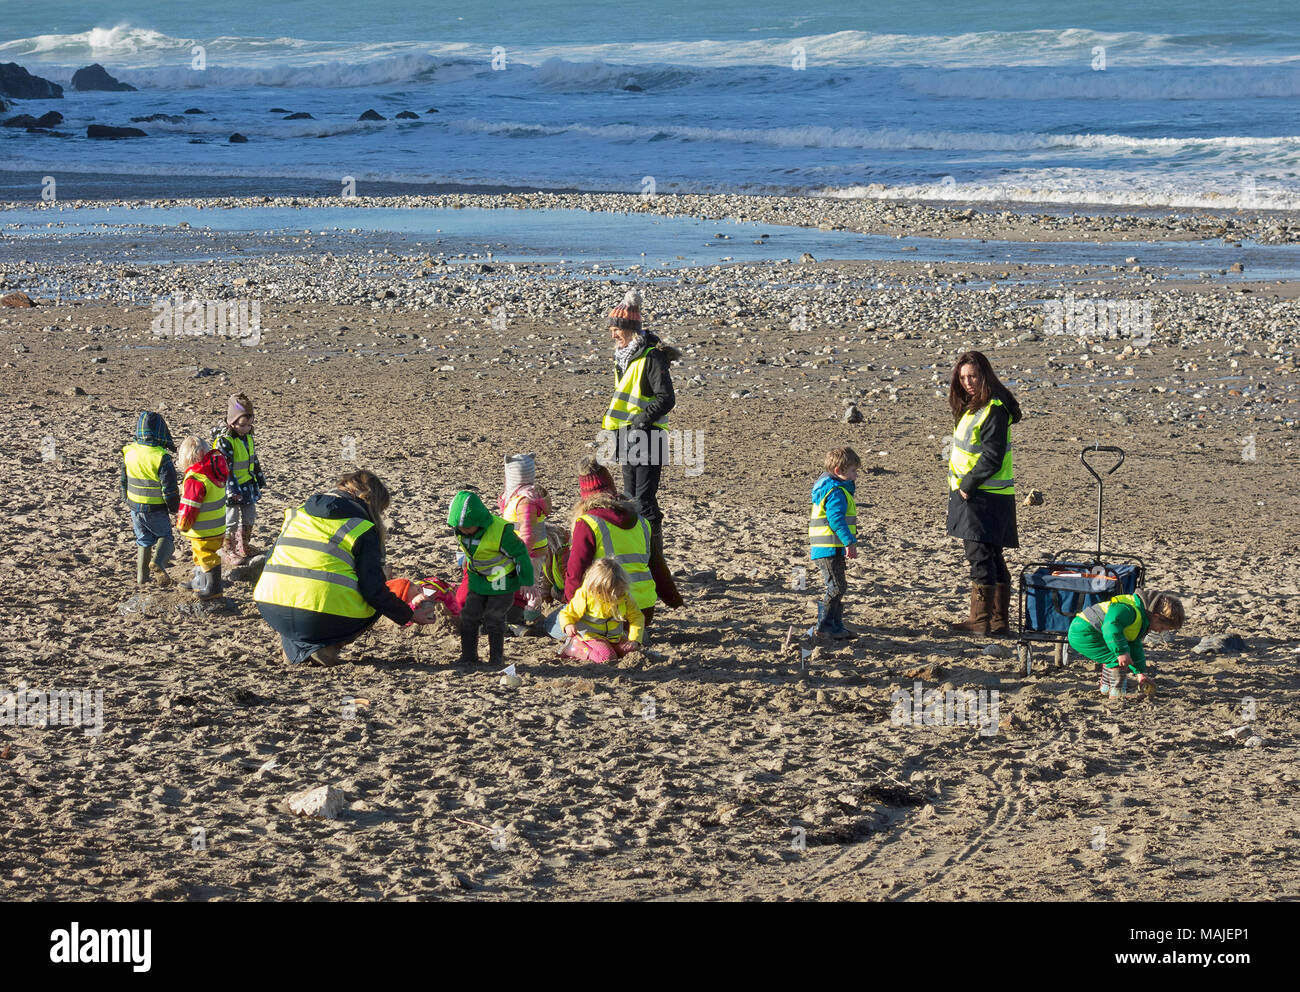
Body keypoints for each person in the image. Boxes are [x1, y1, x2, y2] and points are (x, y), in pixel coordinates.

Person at [254, 470, 436, 665]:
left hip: (270, 604)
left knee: (300, 590)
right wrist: (408, 614)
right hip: (320, 613)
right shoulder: (362, 528)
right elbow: (373, 590)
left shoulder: (297, 513)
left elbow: (270, 559)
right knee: (375, 595)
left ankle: (295, 648)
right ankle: (328, 648)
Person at [600, 288, 684, 610]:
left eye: (615, 329)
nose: (612, 334)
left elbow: (667, 399)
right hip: (626, 437)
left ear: (630, 328)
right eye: (611, 330)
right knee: (631, 500)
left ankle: (654, 562)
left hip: (648, 437)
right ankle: (640, 559)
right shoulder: (624, 356)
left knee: (645, 502)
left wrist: (640, 421)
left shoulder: (651, 357)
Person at [945, 350, 1023, 637]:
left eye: (973, 376)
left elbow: (992, 456)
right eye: (963, 377)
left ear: (985, 376)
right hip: (983, 495)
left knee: (980, 557)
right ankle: (997, 621)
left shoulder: (994, 410)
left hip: (982, 496)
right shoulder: (975, 407)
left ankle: (981, 622)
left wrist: (968, 484)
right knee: (991, 555)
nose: (968, 382)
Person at [558, 458, 658, 630]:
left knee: (554, 623)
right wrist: (673, 598)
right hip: (644, 610)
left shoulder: (588, 523)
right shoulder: (642, 522)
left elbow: (575, 572)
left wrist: (570, 606)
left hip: (609, 610)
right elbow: (658, 566)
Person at [447, 489, 534, 668]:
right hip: (478, 578)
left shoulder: (501, 532)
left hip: (501, 580)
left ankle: (496, 659)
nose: (463, 530)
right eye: (460, 528)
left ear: (479, 521)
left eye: (467, 527)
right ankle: (469, 656)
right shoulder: (462, 531)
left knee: (494, 617)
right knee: (469, 616)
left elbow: (520, 553)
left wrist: (526, 581)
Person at [1067, 591, 1185, 702]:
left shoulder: (1142, 618)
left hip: (1091, 631)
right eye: (1162, 628)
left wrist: (1140, 673)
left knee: (1116, 655)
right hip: (1084, 631)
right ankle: (1117, 692)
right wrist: (1121, 652)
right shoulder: (1129, 610)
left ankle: (1106, 687)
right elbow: (1110, 627)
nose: (1159, 632)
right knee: (1117, 658)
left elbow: (1134, 645)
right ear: (1156, 616)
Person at [120, 411, 180, 586]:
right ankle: (158, 562)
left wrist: (126, 499)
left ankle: (142, 578)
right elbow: (169, 489)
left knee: (143, 540)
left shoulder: (128, 451)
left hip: (134, 506)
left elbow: (124, 480)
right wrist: (174, 508)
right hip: (155, 508)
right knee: (166, 537)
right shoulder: (161, 457)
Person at [808, 446, 861, 640]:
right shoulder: (836, 492)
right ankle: (825, 626)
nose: (856, 476)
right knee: (837, 587)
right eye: (853, 471)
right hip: (828, 547)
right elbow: (836, 519)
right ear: (839, 471)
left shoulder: (833, 488)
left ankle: (836, 625)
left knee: (839, 586)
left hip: (830, 547)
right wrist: (849, 542)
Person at [498, 452, 552, 630]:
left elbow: (528, 533)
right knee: (525, 585)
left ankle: (531, 618)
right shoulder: (520, 496)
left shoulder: (524, 502)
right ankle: (525, 615)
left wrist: (518, 555)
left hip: (528, 552)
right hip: (526, 549)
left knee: (529, 586)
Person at [213, 393, 267, 568]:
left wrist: (259, 479)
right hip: (231, 487)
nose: (246, 428)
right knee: (231, 518)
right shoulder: (225, 442)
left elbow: (253, 459)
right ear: (232, 422)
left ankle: (243, 545)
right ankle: (228, 549)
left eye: (249, 424)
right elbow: (225, 469)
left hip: (247, 485)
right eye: (243, 425)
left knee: (249, 515)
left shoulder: (248, 438)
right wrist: (231, 490)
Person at [557, 559, 644, 664]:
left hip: (614, 637)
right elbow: (567, 613)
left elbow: (637, 617)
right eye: (606, 594)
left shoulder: (624, 597)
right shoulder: (585, 596)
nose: (612, 597)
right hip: (591, 637)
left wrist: (634, 639)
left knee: (631, 651)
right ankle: (575, 646)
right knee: (607, 657)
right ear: (595, 587)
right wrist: (568, 624)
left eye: (616, 592)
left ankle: (611, 648)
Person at [175, 436, 229, 599]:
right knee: (199, 554)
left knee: (206, 555)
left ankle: (214, 588)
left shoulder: (196, 478)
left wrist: (182, 524)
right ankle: (200, 582)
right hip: (218, 526)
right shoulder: (215, 471)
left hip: (203, 529)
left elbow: (189, 506)